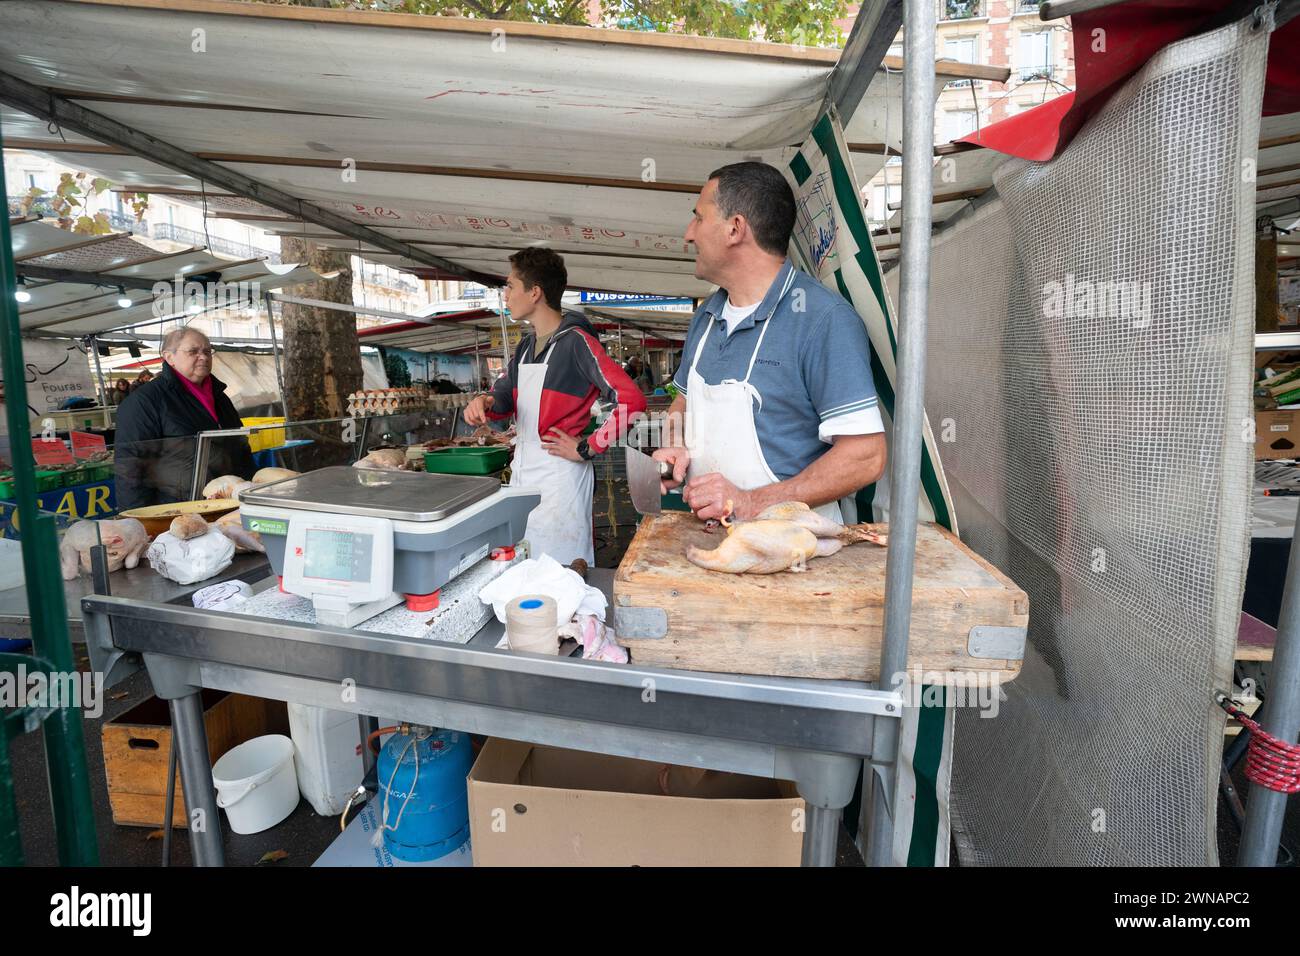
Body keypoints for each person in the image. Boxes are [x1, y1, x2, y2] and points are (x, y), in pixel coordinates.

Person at [654, 161, 886, 524]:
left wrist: (748, 501)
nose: (689, 234)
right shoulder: (705, 316)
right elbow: (681, 402)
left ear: (735, 228)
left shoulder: (822, 320)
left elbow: (866, 456)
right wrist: (675, 442)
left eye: (698, 218)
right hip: (711, 537)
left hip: (794, 551)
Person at [464, 248, 646, 564]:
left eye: (510, 286)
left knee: (562, 575)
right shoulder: (524, 347)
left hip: (559, 477)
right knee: (526, 567)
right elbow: (504, 398)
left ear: (534, 292)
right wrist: (485, 401)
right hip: (523, 473)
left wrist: (588, 447)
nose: (505, 296)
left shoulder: (577, 342)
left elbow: (631, 400)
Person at [114, 328, 255, 510]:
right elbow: (130, 467)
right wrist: (138, 518)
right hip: (180, 507)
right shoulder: (144, 401)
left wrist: (250, 490)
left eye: (207, 351)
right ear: (169, 357)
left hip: (228, 500)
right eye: (193, 351)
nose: (203, 357)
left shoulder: (219, 396)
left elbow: (240, 445)